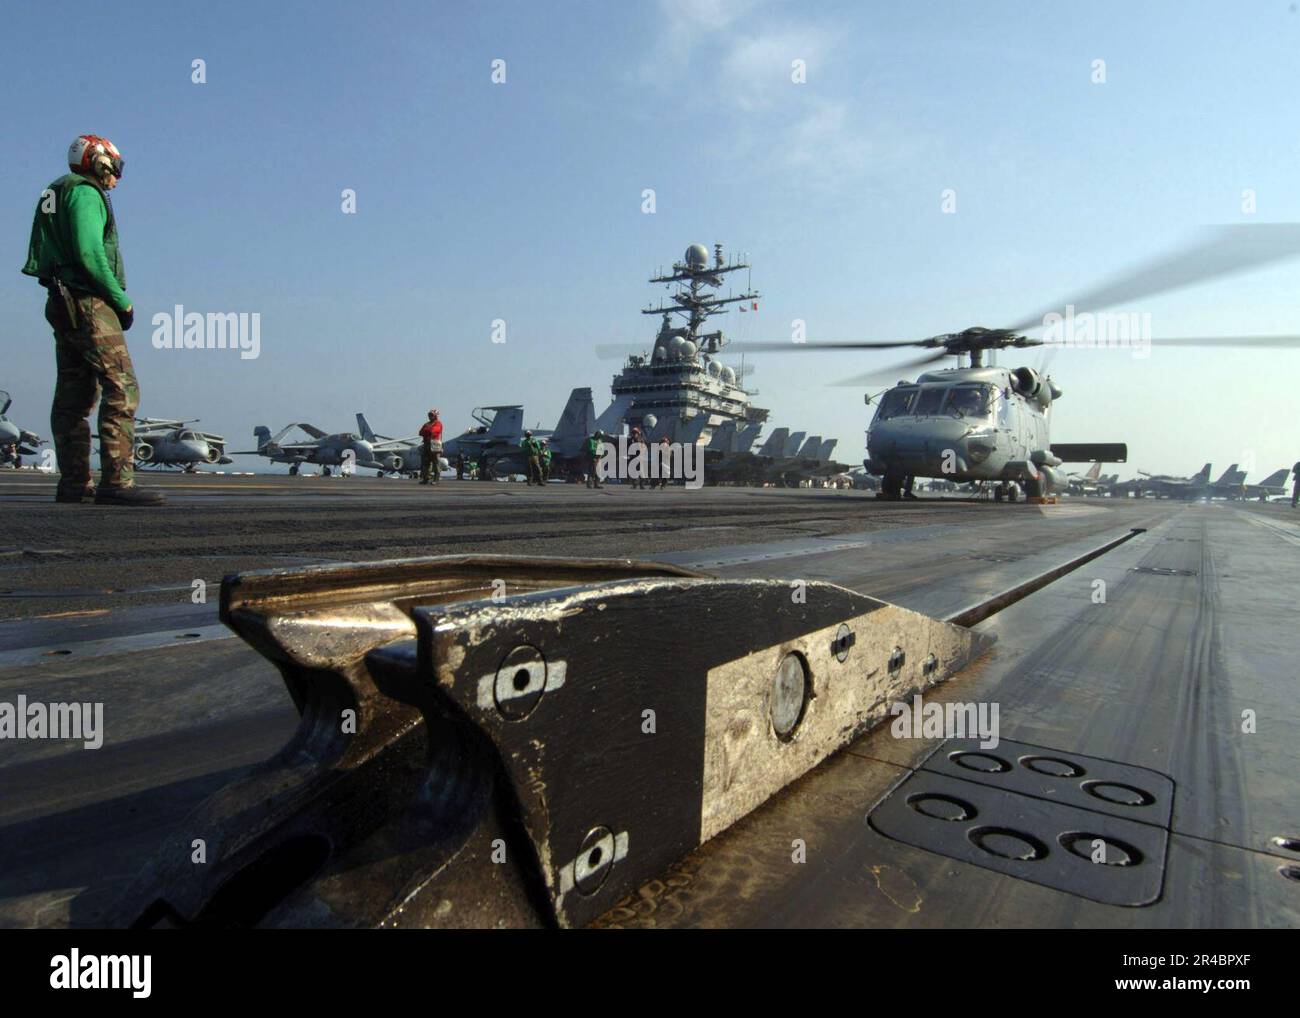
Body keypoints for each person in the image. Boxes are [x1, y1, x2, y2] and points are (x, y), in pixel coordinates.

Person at [23, 135, 163, 505]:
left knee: (73, 396)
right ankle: (117, 482)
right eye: (115, 168)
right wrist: (122, 302)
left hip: (61, 300)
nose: (116, 177)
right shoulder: (85, 192)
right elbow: (89, 253)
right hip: (87, 302)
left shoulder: (54, 191)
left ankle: (74, 483)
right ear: (99, 161)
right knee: (122, 387)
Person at [418, 409, 443, 484]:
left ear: (435, 416)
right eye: (429, 415)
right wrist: (427, 432)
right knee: (425, 462)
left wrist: (426, 432)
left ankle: (436, 479)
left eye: (431, 415)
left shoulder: (438, 424)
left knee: (436, 462)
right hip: (426, 444)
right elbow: (420, 432)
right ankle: (426, 478)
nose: (430, 416)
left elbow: (434, 432)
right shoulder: (427, 424)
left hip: (435, 445)